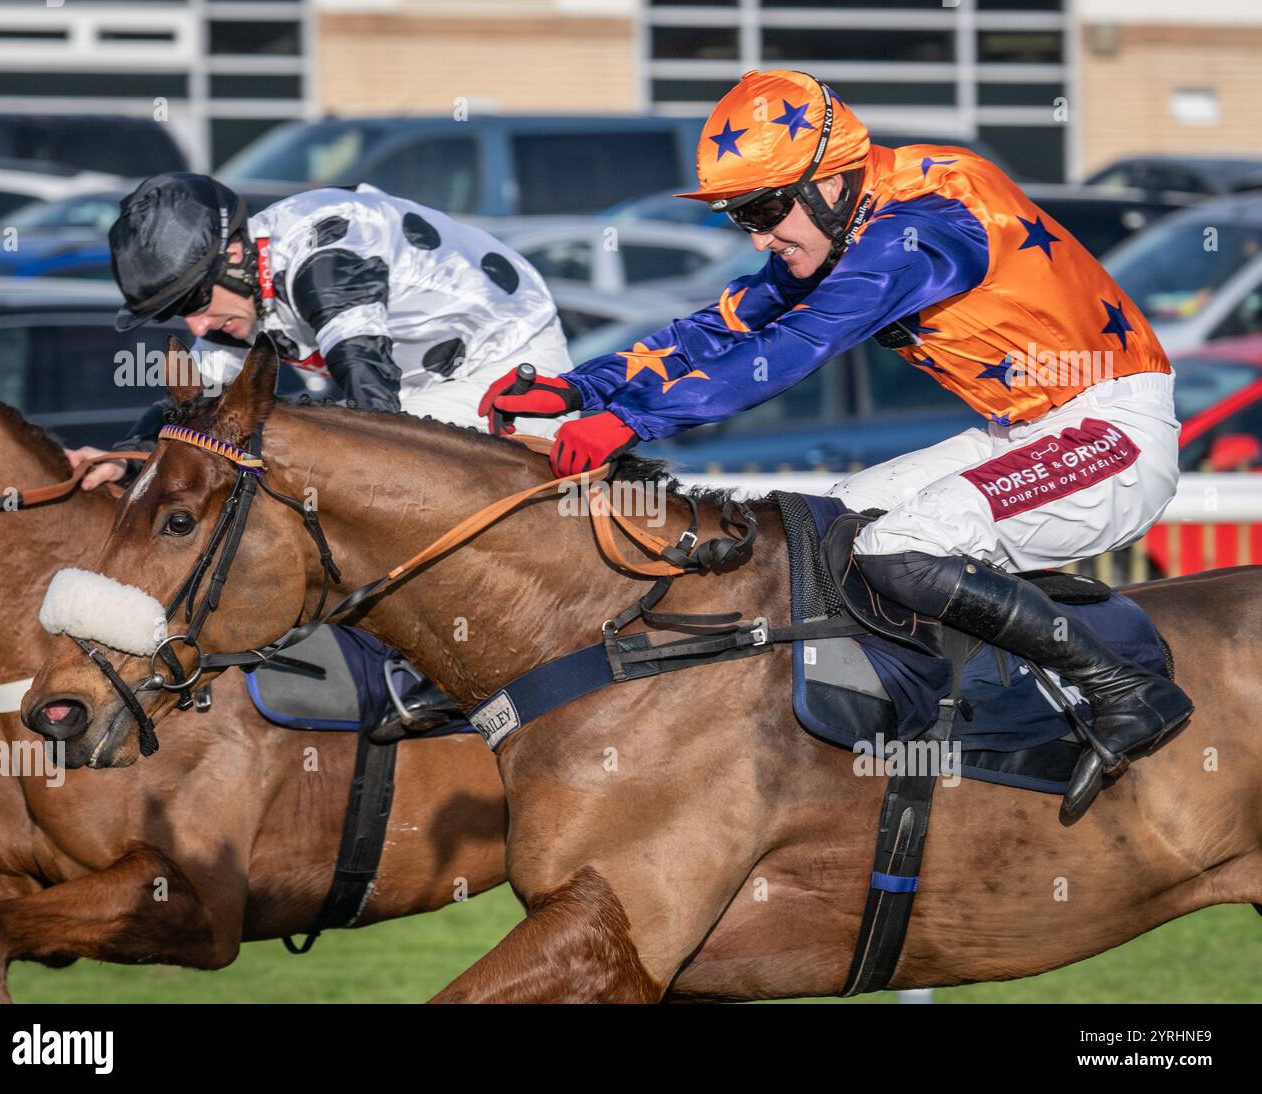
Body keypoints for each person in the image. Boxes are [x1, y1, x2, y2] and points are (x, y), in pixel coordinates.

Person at [478, 68, 1194, 823]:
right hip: (1021, 428)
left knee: (899, 547)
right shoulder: (850, 218)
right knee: (820, 526)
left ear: (830, 179)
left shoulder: (925, 221)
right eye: (738, 218)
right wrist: (580, 388)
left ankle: (1126, 690)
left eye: (763, 209)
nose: (757, 236)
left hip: (1114, 432)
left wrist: (636, 422)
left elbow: (796, 346)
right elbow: (726, 324)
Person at [69, 172, 574, 488]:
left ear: (238, 255)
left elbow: (375, 407)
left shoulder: (324, 263)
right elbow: (192, 410)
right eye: (175, 312)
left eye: (196, 300)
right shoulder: (243, 287)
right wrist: (125, 458)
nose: (197, 323)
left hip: (507, 360)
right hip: (422, 384)